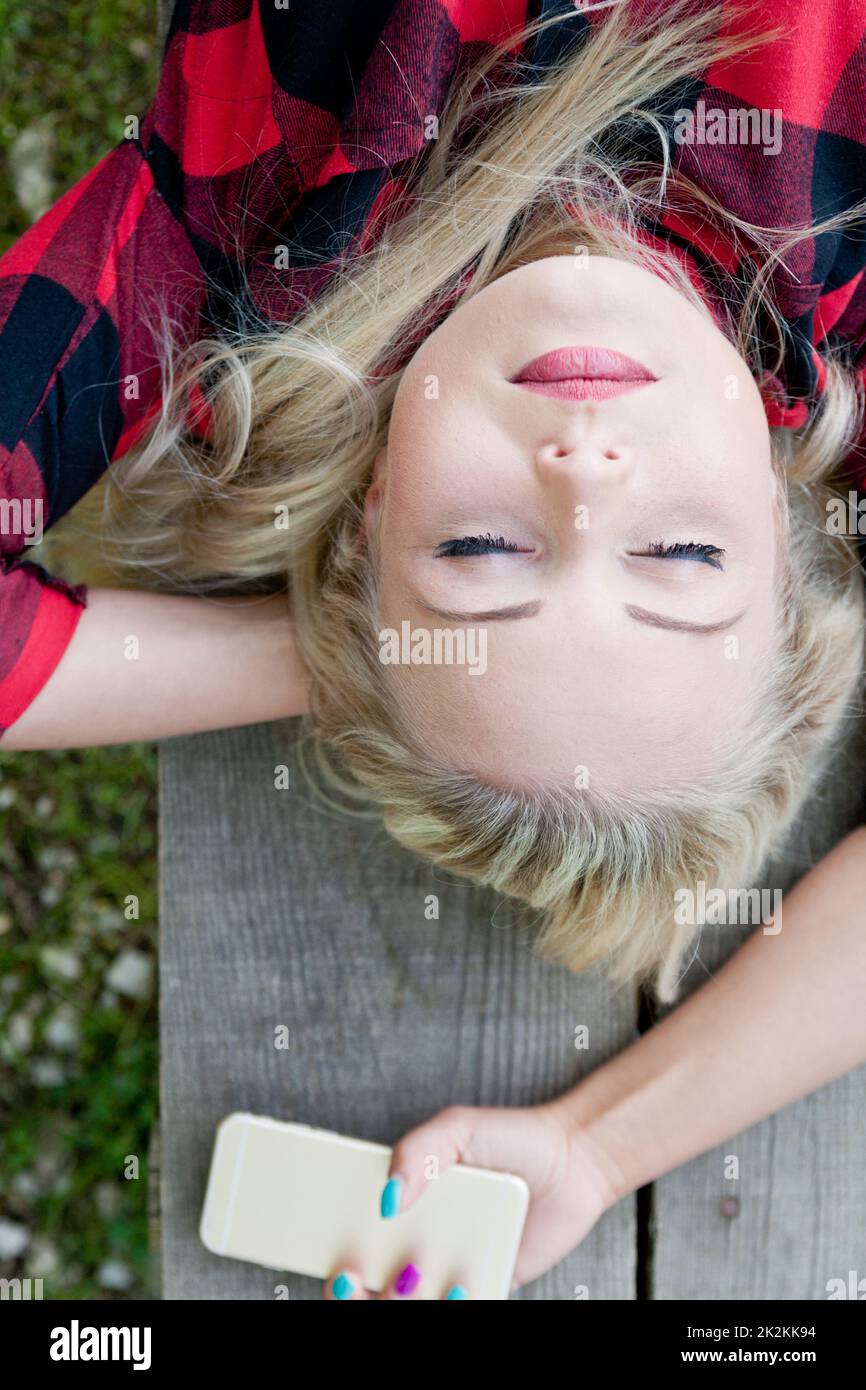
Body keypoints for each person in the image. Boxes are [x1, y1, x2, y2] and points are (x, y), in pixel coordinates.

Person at [2, 0, 866, 1298]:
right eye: (679, 560)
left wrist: (362, 649)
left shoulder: (258, 216)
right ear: (792, 516)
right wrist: (594, 1142)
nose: (584, 481)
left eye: (479, 555)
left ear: (374, 513)